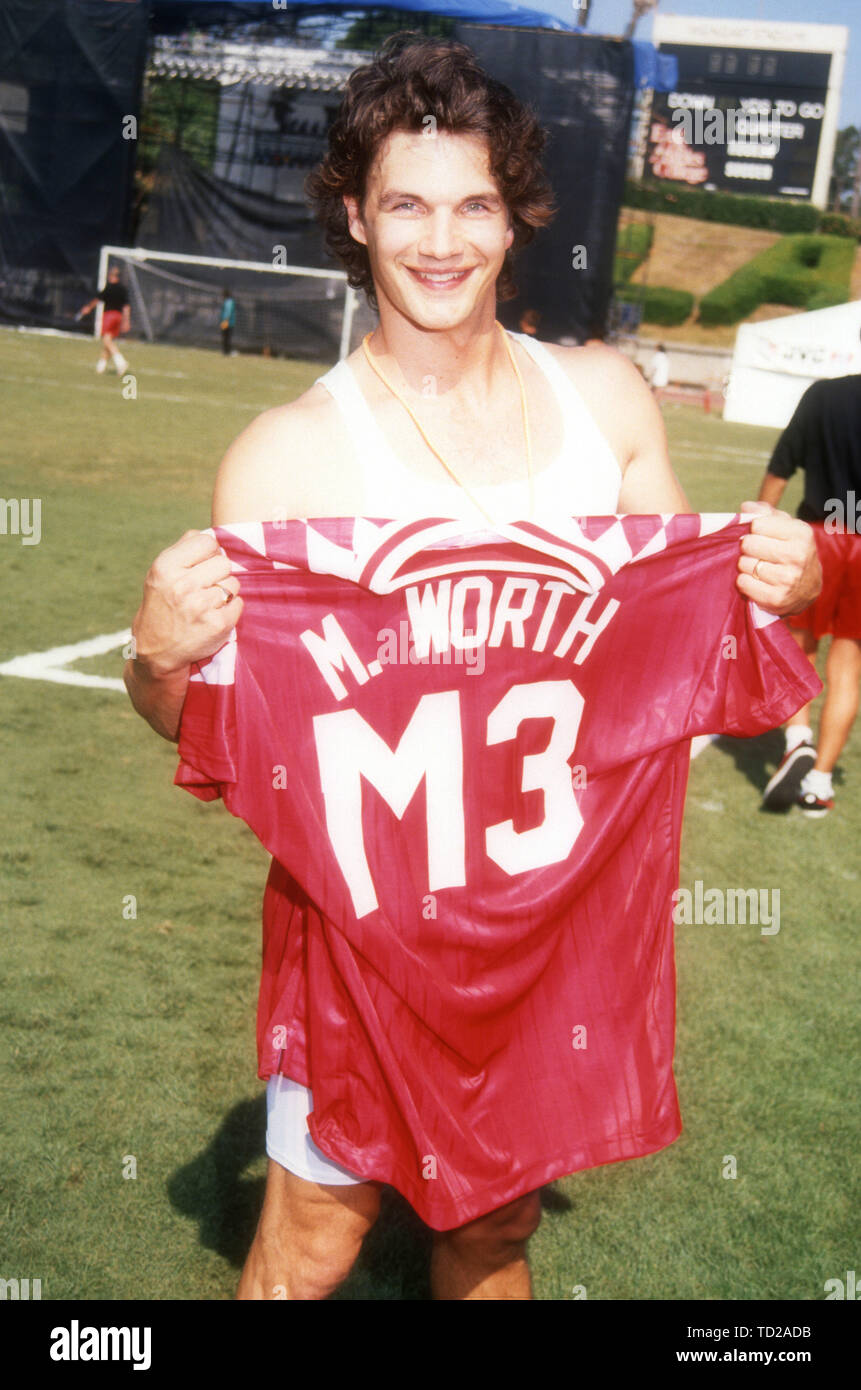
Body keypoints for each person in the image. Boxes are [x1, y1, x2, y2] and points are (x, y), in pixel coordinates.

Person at [123, 34, 820, 1301]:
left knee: (492, 1236)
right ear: (354, 214)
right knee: (311, 1244)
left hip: (554, 947)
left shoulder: (604, 405)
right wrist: (154, 660)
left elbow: (705, 627)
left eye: (474, 205)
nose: (440, 242)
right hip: (366, 942)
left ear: (514, 221)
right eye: (406, 204)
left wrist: (800, 573)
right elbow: (218, 740)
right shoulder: (284, 463)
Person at [758, 363, 861, 817]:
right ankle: (819, 783)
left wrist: (757, 519)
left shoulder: (825, 395)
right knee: (849, 667)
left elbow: (781, 464)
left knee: (798, 648)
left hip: (819, 535)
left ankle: (797, 737)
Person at [77, 265, 131, 375]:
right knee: (108, 342)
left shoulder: (109, 287)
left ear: (111, 276)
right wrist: (126, 321)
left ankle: (121, 361)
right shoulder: (123, 289)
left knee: (106, 340)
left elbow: (97, 299)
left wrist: (88, 308)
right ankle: (101, 367)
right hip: (118, 317)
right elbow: (126, 307)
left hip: (109, 316)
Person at [220, 288, 236, 356]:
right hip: (228, 322)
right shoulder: (229, 301)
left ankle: (226, 351)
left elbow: (228, 312)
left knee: (226, 337)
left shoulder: (228, 302)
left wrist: (225, 320)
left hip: (227, 322)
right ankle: (226, 351)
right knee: (227, 338)